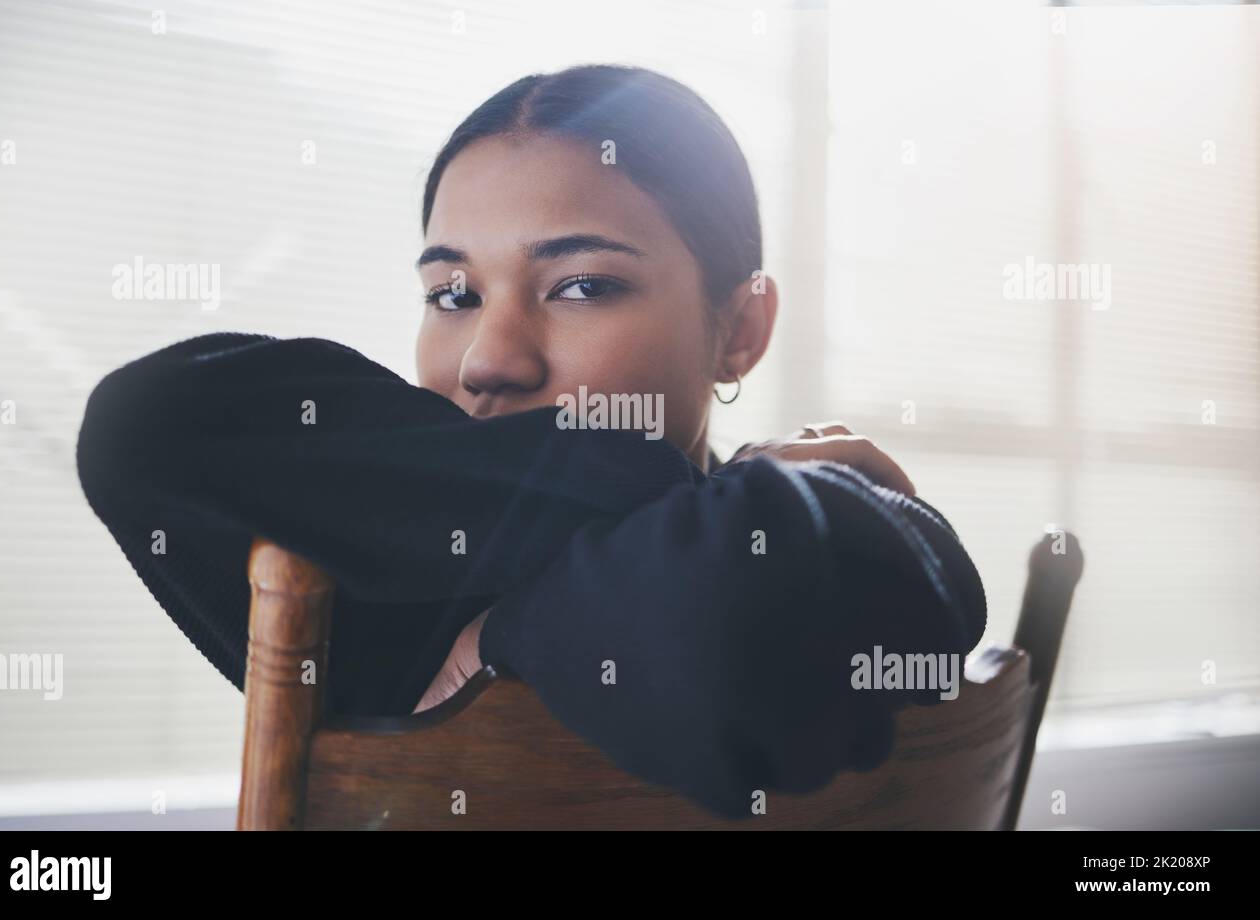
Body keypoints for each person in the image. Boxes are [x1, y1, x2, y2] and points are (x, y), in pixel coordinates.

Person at [76, 64, 986, 821]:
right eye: (454, 295)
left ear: (740, 329)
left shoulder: (811, 539)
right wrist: (675, 497)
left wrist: (490, 644)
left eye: (583, 286)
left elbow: (719, 635)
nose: (488, 360)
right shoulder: (376, 603)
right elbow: (146, 426)